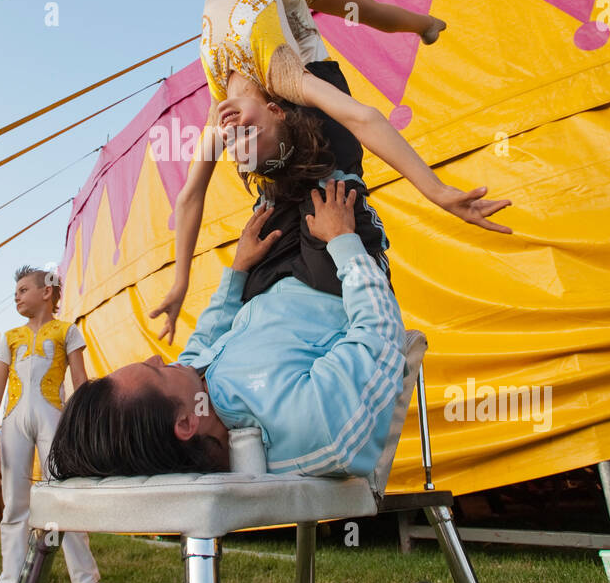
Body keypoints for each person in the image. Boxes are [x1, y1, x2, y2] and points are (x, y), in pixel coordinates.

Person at [151, 0, 511, 341]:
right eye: (248, 133)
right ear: (277, 108)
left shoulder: (218, 119)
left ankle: (409, 24)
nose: (233, 129)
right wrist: (438, 191)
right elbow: (363, 118)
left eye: (235, 140)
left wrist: (181, 282)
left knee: (333, 13)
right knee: (346, 22)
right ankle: (425, 25)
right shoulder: (284, 77)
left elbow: (190, 195)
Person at [51, 180, 406, 480]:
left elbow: (205, 338)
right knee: (319, 154)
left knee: (266, 155)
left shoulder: (194, 390)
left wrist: (238, 268)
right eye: (153, 370)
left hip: (263, 278)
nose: (159, 357)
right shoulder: (311, 426)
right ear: (186, 424)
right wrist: (343, 240)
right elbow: (379, 335)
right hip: (330, 279)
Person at [0, 266, 116, 583]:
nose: (17, 296)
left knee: (64, 496)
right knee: (15, 504)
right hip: (13, 423)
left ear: (46, 292)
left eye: (23, 289)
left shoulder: (66, 331)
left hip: (54, 419)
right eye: (16, 291)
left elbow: (80, 380)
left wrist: (78, 425)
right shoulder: (9, 337)